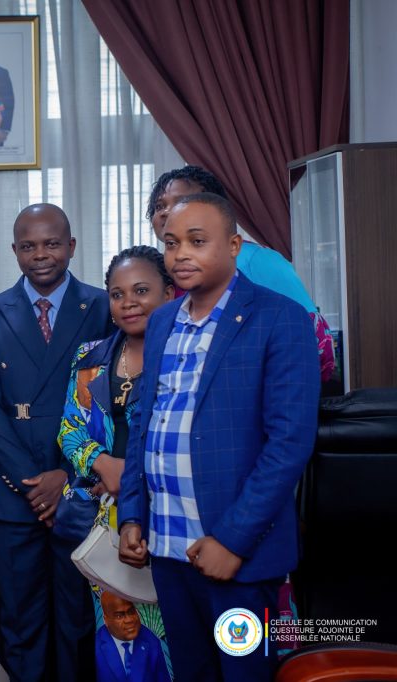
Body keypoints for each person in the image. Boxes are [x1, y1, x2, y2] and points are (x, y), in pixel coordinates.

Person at [117, 193, 320, 681]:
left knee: (245, 674)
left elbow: (289, 443)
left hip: (238, 558)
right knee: (191, 673)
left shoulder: (280, 319)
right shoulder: (164, 320)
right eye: (170, 243)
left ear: (233, 245)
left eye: (197, 241)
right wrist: (131, 513)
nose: (180, 254)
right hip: (168, 550)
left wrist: (231, 541)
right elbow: (146, 423)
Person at [0, 203, 113, 682]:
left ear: (71, 246)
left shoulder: (102, 306)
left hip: (80, 492)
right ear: (14, 251)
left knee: (80, 620)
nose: (41, 255)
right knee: (21, 621)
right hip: (15, 495)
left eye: (52, 243)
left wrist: (66, 478)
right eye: (28, 246)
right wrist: (35, 483)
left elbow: (108, 407)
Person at [57, 246, 175, 681]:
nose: (128, 303)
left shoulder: (187, 353)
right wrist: (100, 461)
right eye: (117, 294)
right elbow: (68, 428)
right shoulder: (91, 358)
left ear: (168, 293)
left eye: (141, 290)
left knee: (179, 638)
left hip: (173, 512)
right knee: (120, 636)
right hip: (107, 517)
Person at [145, 165, 335, 381]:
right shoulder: (165, 271)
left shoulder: (258, 260)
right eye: (159, 205)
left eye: (180, 202)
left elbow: (316, 344)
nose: (165, 212)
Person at [95, 593, 170, 682]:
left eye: (131, 612)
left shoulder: (151, 640)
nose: (129, 620)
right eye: (119, 616)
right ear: (106, 620)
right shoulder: (95, 647)